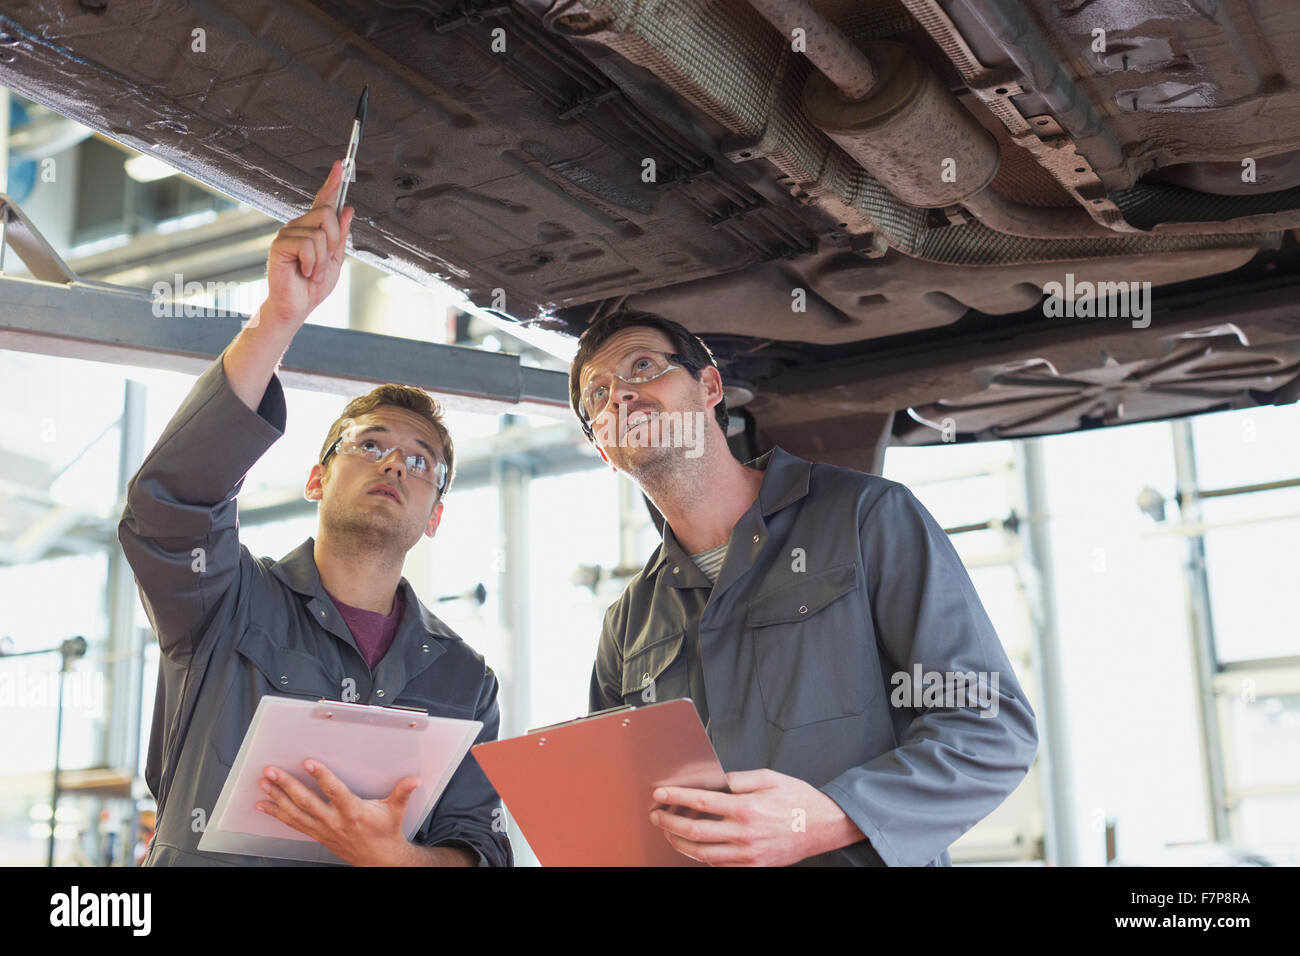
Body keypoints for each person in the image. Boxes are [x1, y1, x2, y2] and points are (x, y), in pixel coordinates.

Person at [119, 161, 511, 866]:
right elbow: (172, 505)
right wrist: (279, 318)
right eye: (371, 445)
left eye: (421, 461)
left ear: (435, 518)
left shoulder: (464, 681)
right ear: (316, 477)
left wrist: (399, 858)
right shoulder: (227, 603)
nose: (396, 463)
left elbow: (478, 847)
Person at [570, 309, 1038, 866]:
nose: (619, 394)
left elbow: (990, 728)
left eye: (642, 366)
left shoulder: (867, 518)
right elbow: (623, 810)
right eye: (596, 395)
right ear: (602, 449)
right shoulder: (628, 623)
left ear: (710, 385)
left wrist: (831, 816)